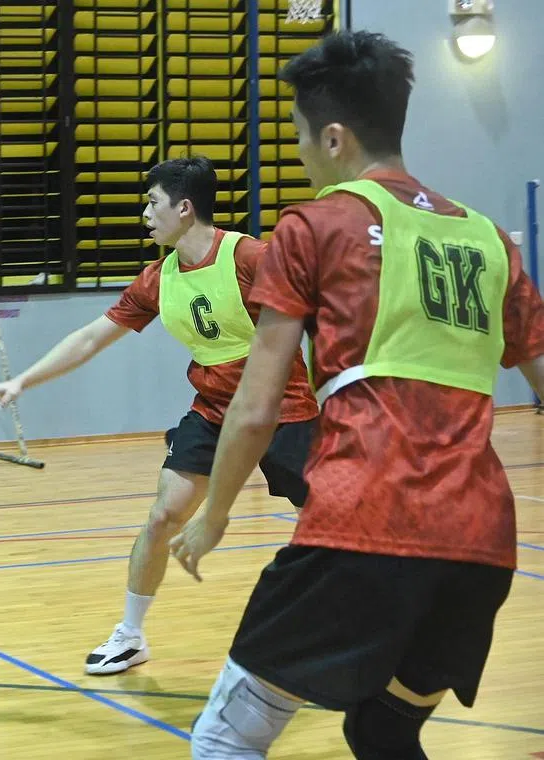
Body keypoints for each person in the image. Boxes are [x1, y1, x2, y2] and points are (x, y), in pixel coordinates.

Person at [169, 30, 544, 759]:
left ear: (334, 137)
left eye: (302, 141)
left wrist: (213, 515)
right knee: (381, 730)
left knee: (222, 741)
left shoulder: (315, 226)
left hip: (360, 533)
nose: (303, 156)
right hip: (479, 552)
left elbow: (256, 408)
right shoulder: (491, 240)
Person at [0, 157, 318, 676]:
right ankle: (130, 635)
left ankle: (360, 625)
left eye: (152, 202)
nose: (144, 213)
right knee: (162, 516)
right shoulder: (159, 277)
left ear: (184, 207)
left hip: (283, 409)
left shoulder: (248, 255)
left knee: (323, 526)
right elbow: (92, 336)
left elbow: (315, 315)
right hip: (214, 409)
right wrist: (23, 380)